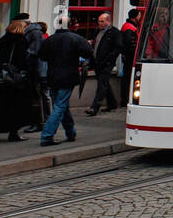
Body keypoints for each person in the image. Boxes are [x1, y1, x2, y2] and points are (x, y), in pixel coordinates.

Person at [37, 15, 94, 147]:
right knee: (60, 106)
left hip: (52, 76)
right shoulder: (76, 38)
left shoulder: (50, 39)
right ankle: (47, 135)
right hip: (68, 76)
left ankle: (70, 132)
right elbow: (88, 52)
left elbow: (42, 56)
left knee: (61, 105)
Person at [0, 19, 29, 142]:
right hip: (15, 77)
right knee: (16, 106)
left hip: (5, 75)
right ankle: (13, 132)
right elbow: (22, 60)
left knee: (2, 103)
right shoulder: (21, 41)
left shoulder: (4, 41)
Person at [86, 13, 121, 116]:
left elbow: (118, 47)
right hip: (97, 61)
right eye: (99, 21)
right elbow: (96, 42)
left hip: (107, 63)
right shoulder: (97, 31)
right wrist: (91, 42)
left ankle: (94, 107)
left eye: (102, 21)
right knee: (104, 83)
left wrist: (110, 58)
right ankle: (112, 103)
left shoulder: (115, 32)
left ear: (108, 21)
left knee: (102, 84)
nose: (100, 23)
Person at [22, 15, 48, 131]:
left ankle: (41, 121)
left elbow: (34, 52)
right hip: (34, 69)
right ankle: (39, 121)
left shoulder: (35, 33)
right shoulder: (30, 32)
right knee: (38, 95)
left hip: (37, 70)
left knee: (39, 95)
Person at [119, 10, 140, 108]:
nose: (140, 17)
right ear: (135, 16)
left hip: (127, 57)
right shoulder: (129, 28)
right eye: (139, 15)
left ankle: (125, 99)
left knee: (127, 78)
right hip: (130, 58)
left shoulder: (128, 26)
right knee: (127, 79)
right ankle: (125, 100)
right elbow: (130, 45)